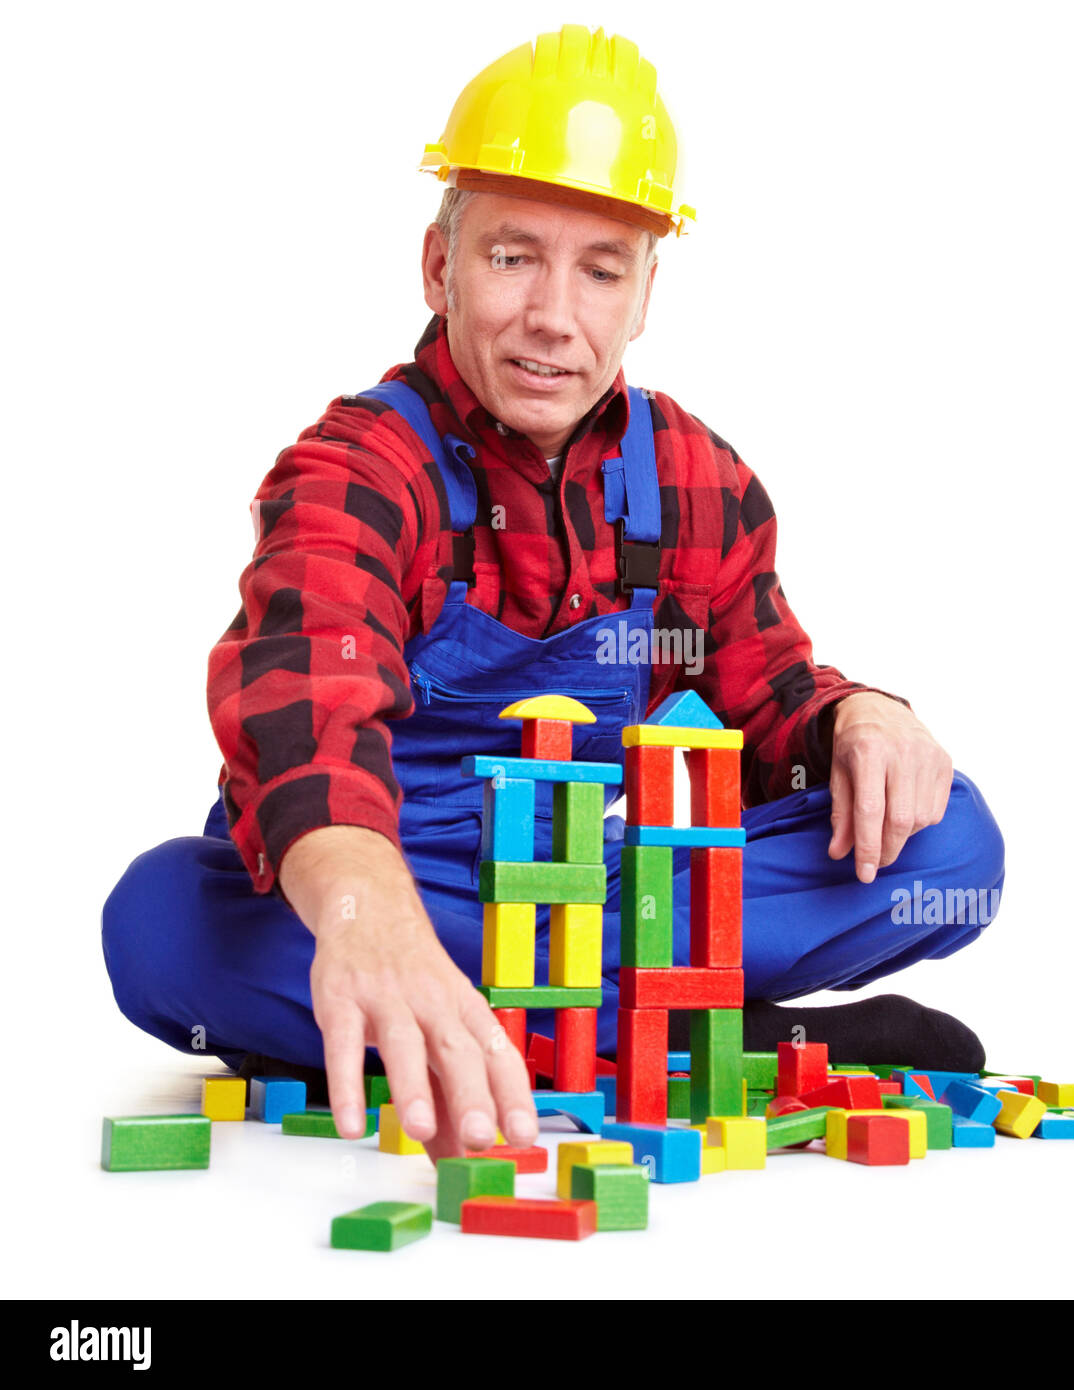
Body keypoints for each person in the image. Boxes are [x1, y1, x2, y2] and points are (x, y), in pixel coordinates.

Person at [102, 25, 1004, 1160]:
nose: (553, 316)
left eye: (600, 269)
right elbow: (302, 705)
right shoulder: (357, 469)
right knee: (158, 922)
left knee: (953, 850)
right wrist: (359, 901)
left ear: (644, 295)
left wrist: (857, 718)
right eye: (513, 255)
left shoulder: (697, 483)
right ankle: (688, 1027)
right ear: (439, 266)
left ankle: (474, 1021)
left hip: (600, 890)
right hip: (404, 878)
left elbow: (772, 706)